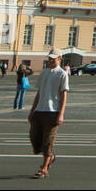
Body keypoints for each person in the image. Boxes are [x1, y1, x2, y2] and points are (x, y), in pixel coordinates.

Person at [27, 49, 68, 178]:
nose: (51, 60)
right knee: (34, 137)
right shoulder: (44, 73)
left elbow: (63, 95)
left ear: (60, 59)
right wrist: (32, 110)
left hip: (52, 112)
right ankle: (50, 157)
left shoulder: (62, 74)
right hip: (39, 111)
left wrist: (61, 114)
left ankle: (44, 168)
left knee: (48, 141)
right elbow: (39, 93)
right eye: (49, 58)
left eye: (53, 58)